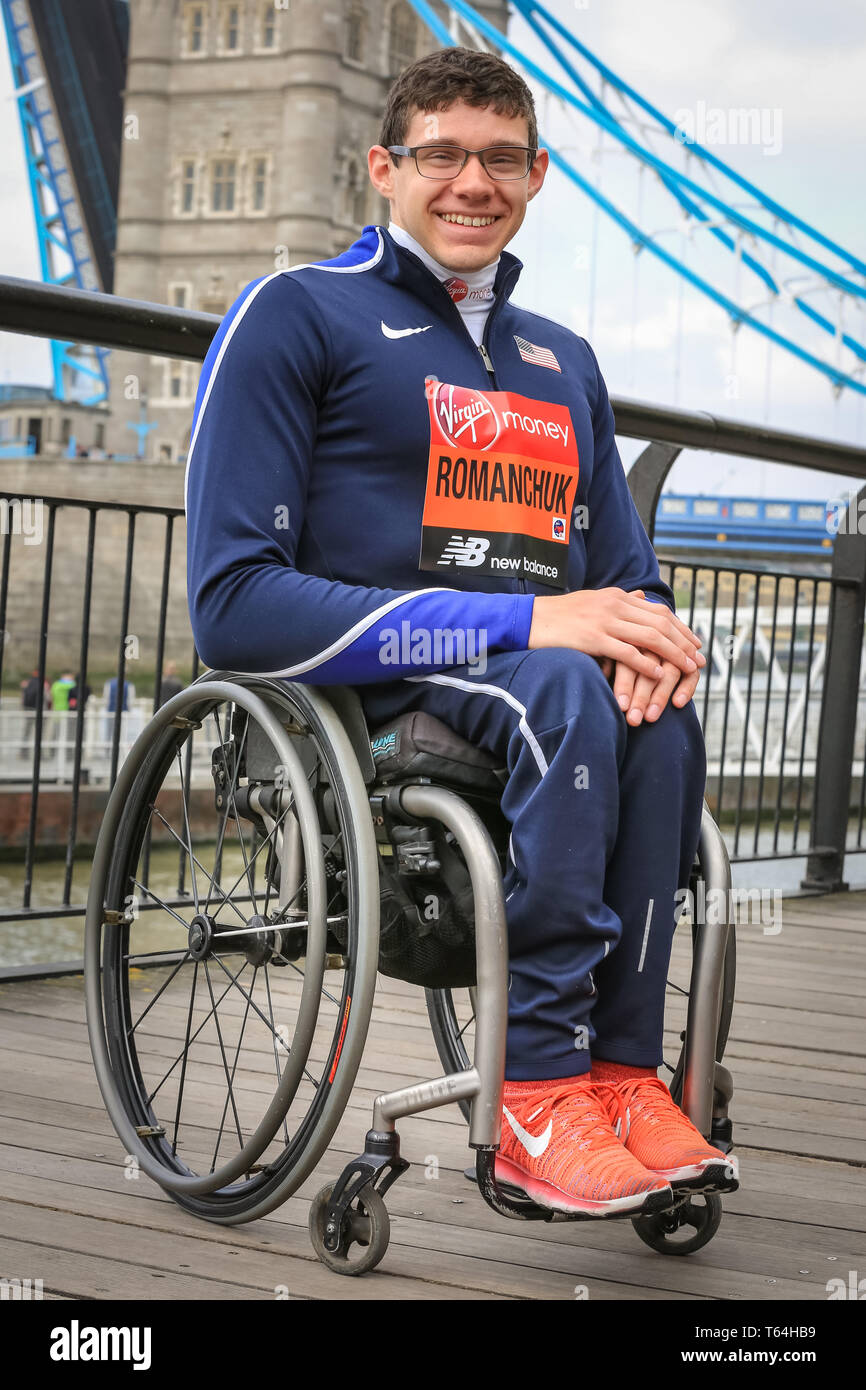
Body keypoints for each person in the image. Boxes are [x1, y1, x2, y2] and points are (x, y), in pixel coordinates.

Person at [186, 47, 736, 1219]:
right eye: (439, 155)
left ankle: (623, 1074)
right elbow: (231, 602)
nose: (468, 182)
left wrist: (656, 641)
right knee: (563, 685)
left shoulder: (563, 362)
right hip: (369, 697)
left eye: (498, 158)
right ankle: (537, 1086)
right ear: (385, 168)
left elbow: (625, 588)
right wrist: (537, 620)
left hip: (541, 688)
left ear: (537, 175)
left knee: (650, 701)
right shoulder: (294, 314)